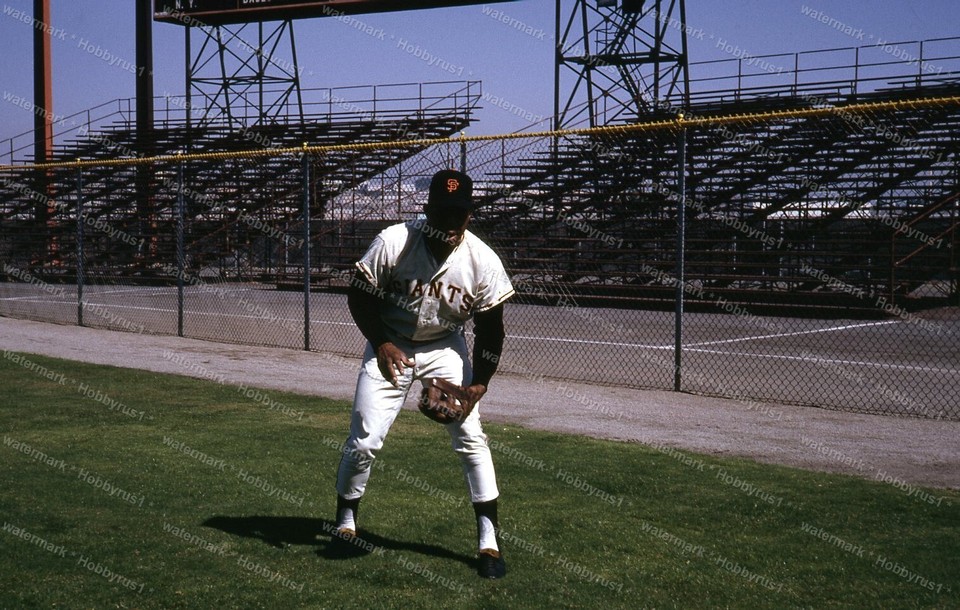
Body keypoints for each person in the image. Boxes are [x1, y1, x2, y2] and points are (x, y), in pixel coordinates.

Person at [333, 169, 515, 579]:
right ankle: (345, 520)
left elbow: (491, 330)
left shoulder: (482, 261)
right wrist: (380, 342)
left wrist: (477, 385)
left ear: (469, 215)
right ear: (427, 209)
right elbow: (358, 298)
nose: (452, 222)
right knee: (365, 438)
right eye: (444, 212)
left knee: (471, 437)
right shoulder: (394, 241)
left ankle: (489, 540)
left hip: (445, 346)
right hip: (391, 340)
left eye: (460, 213)